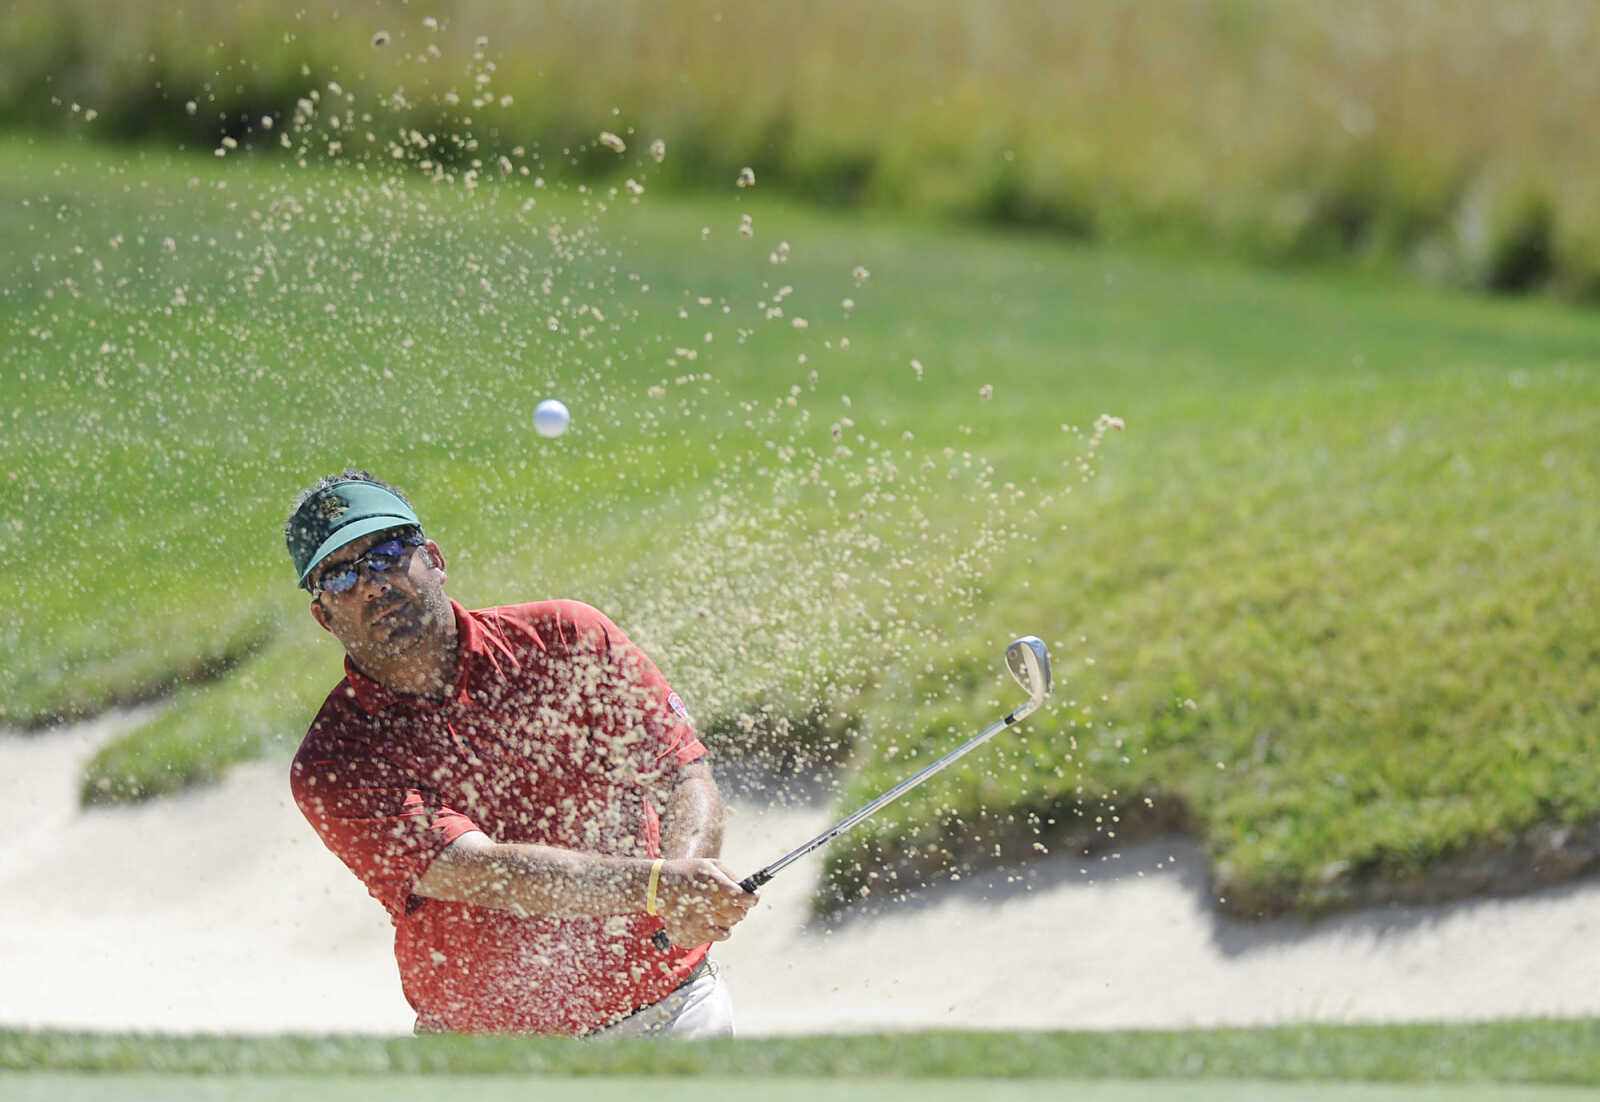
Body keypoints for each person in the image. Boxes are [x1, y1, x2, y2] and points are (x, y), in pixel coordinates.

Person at [284, 470, 756, 1037]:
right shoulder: (337, 759)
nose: (371, 585)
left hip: (669, 1013)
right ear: (324, 615)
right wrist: (662, 885)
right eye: (339, 577)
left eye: (387, 554)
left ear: (433, 559)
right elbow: (483, 873)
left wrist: (686, 879)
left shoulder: (564, 637)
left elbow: (681, 773)